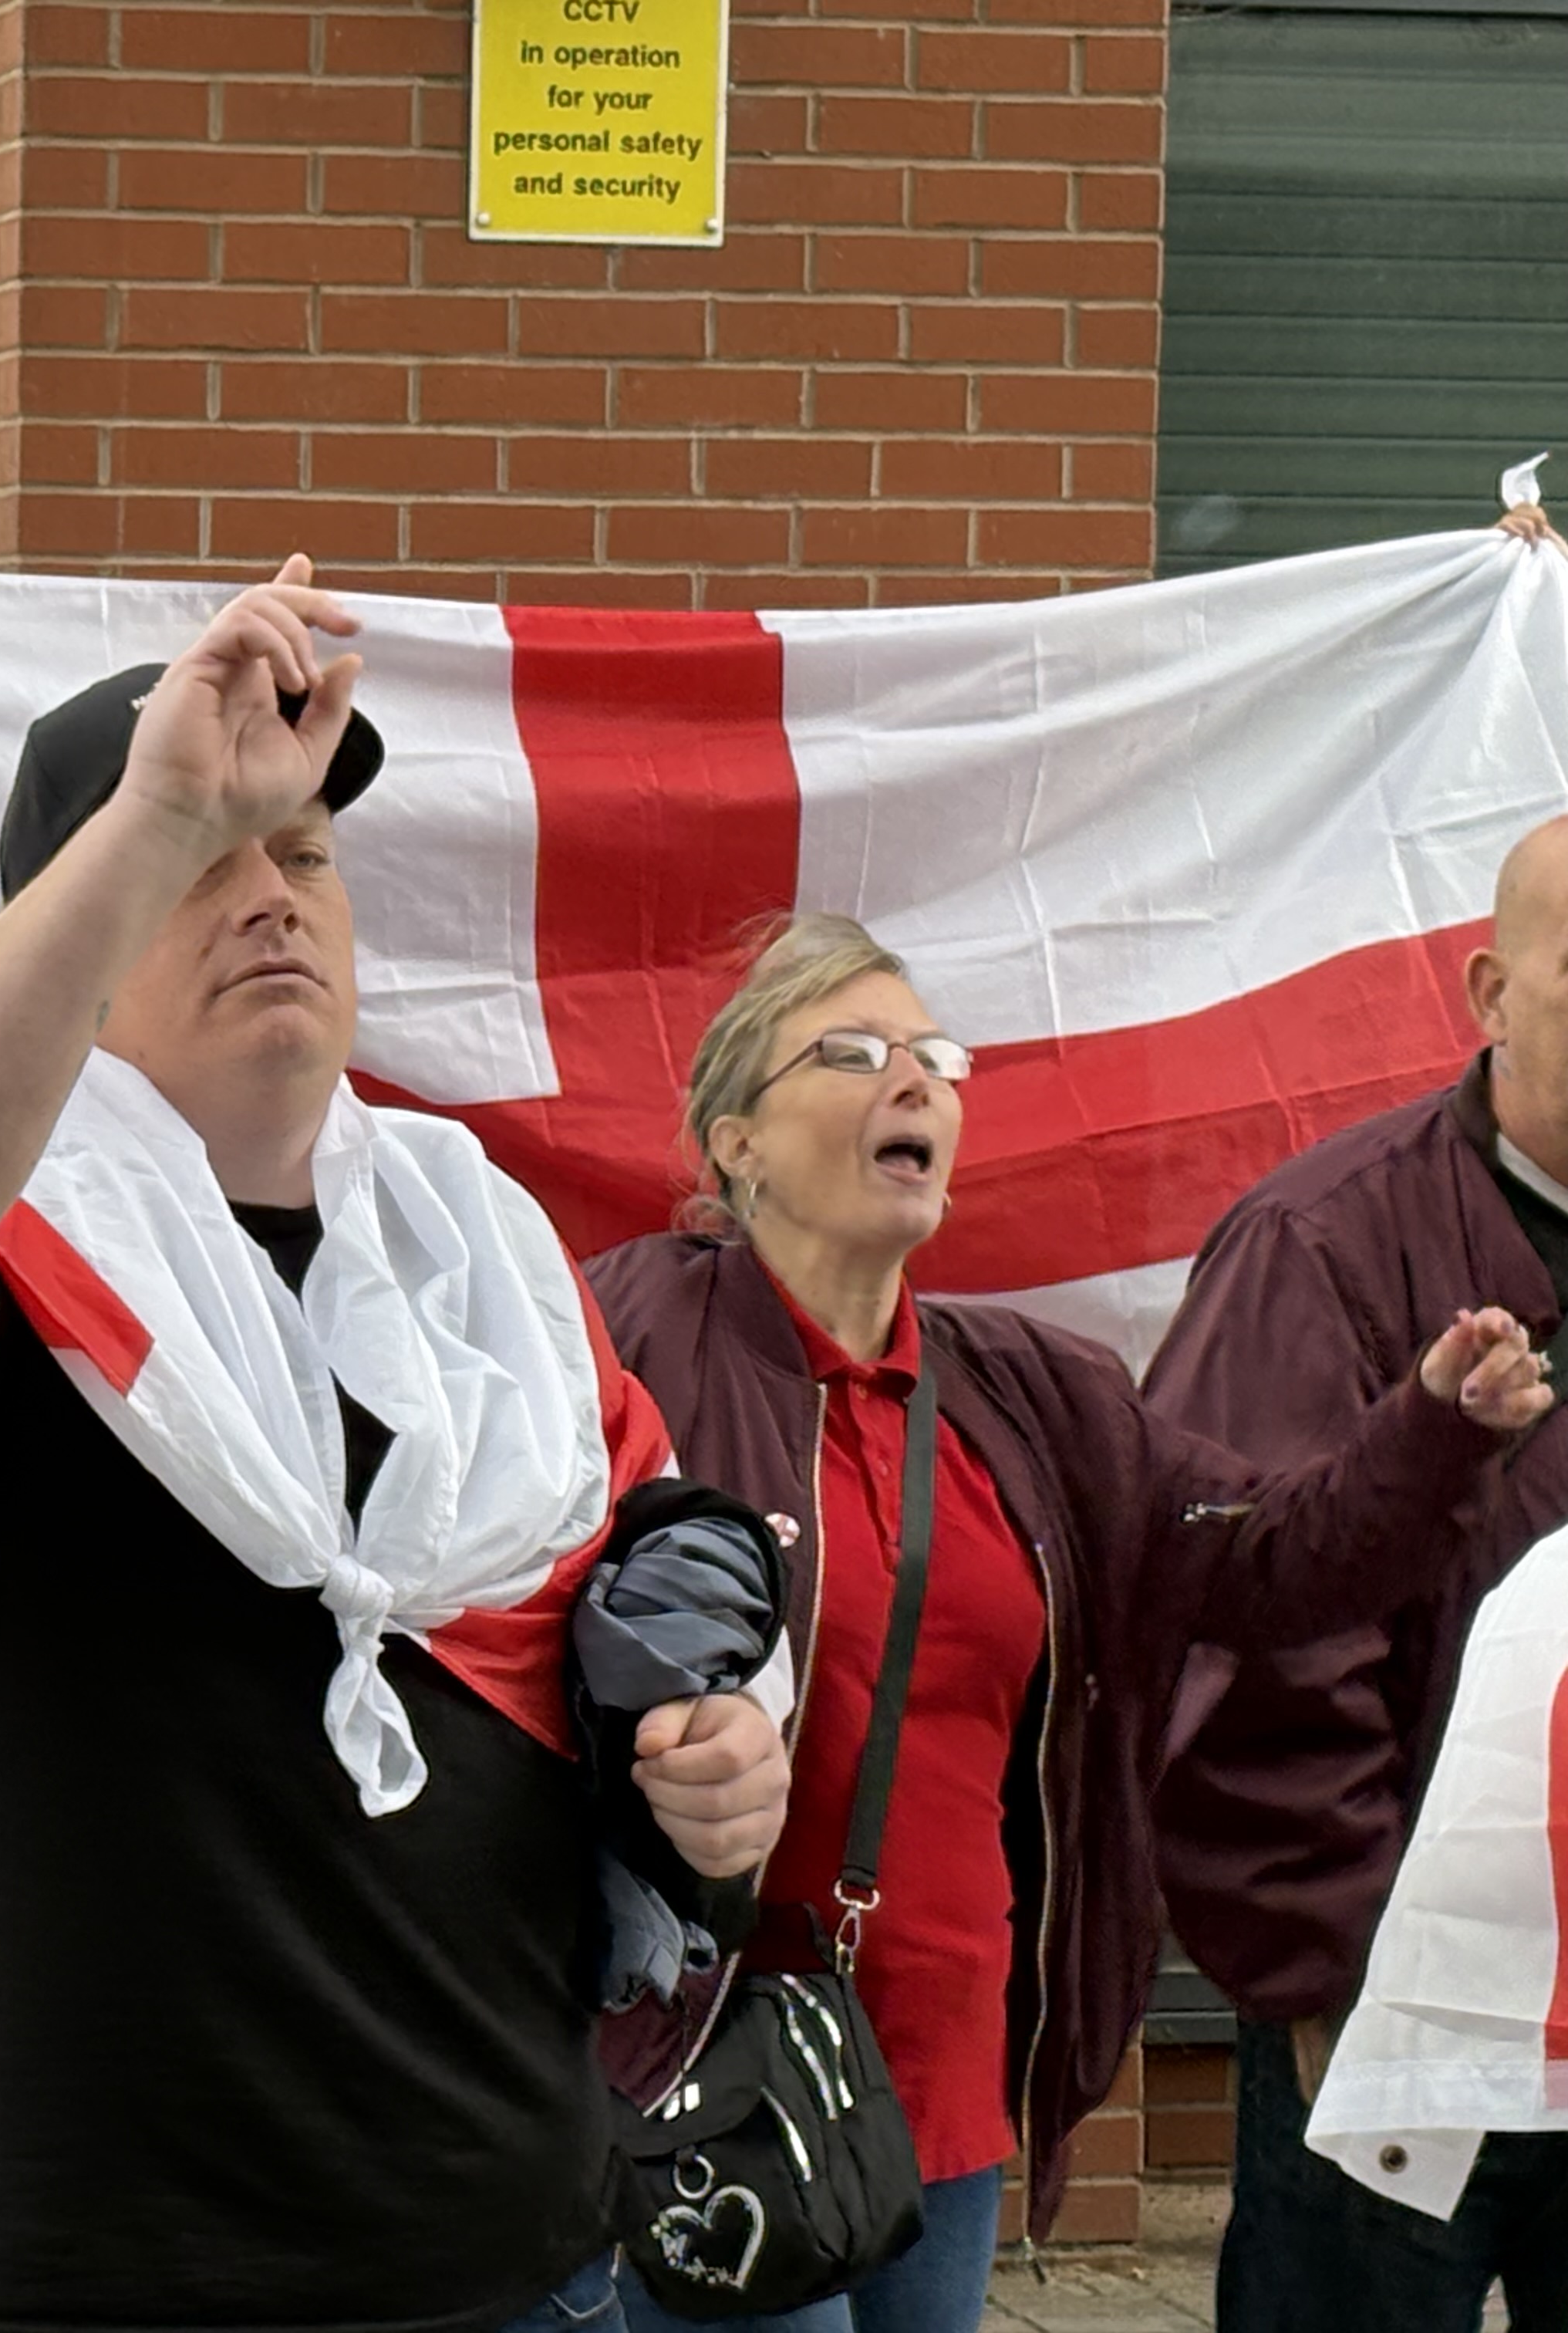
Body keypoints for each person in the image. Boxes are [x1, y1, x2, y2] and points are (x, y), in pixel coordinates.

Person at [0, 558, 794, 2333]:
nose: (270, 898)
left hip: (515, 2259)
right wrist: (155, 803)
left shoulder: (484, 1281)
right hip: (88, 2280)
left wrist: (716, 1772)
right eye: (199, 872)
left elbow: (613, 1633)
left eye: (303, 856)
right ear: (69, 952)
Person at [582, 911, 1555, 2333]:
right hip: (700, 2055)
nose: (913, 1080)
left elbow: (1258, 1561)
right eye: (852, 1052)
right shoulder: (624, 1341)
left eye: (934, 1055)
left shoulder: (1033, 1394)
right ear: (733, 1139)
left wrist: (1427, 1430)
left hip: (945, 2069)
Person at [1145, 816, 1568, 2333]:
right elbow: (1246, 1616)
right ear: (1491, 990)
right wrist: (1332, 1964)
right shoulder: (1318, 1247)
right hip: (1398, 1998)